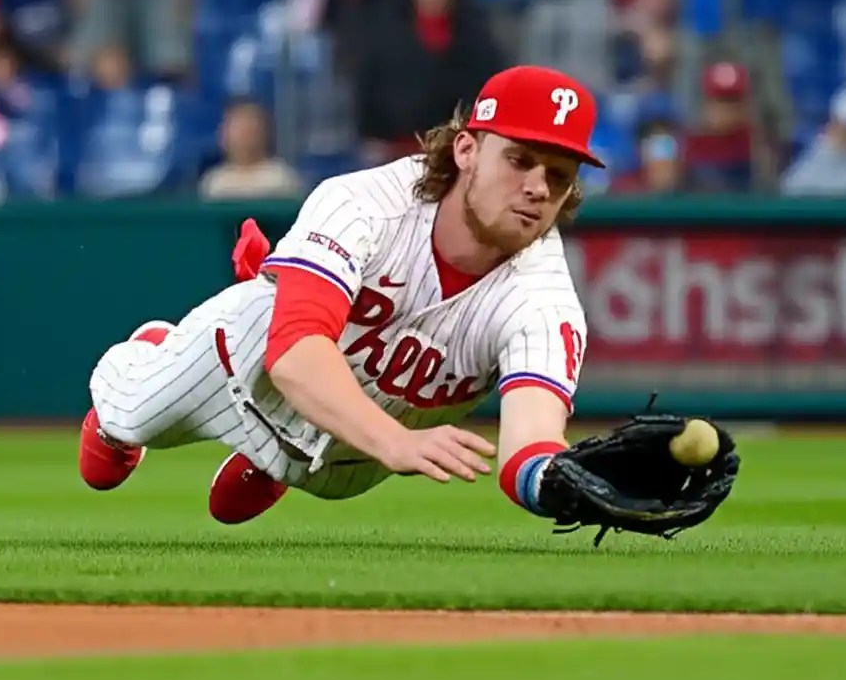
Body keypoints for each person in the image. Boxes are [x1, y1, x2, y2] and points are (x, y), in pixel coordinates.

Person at [79, 65, 602, 525]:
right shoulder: (364, 204)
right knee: (127, 422)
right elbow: (294, 353)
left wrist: (564, 481)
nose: (537, 186)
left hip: (349, 460)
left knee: (326, 479)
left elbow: (531, 443)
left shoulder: (544, 297)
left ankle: (273, 465)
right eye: (519, 159)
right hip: (241, 365)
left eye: (557, 176)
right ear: (467, 150)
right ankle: (152, 349)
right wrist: (397, 441)